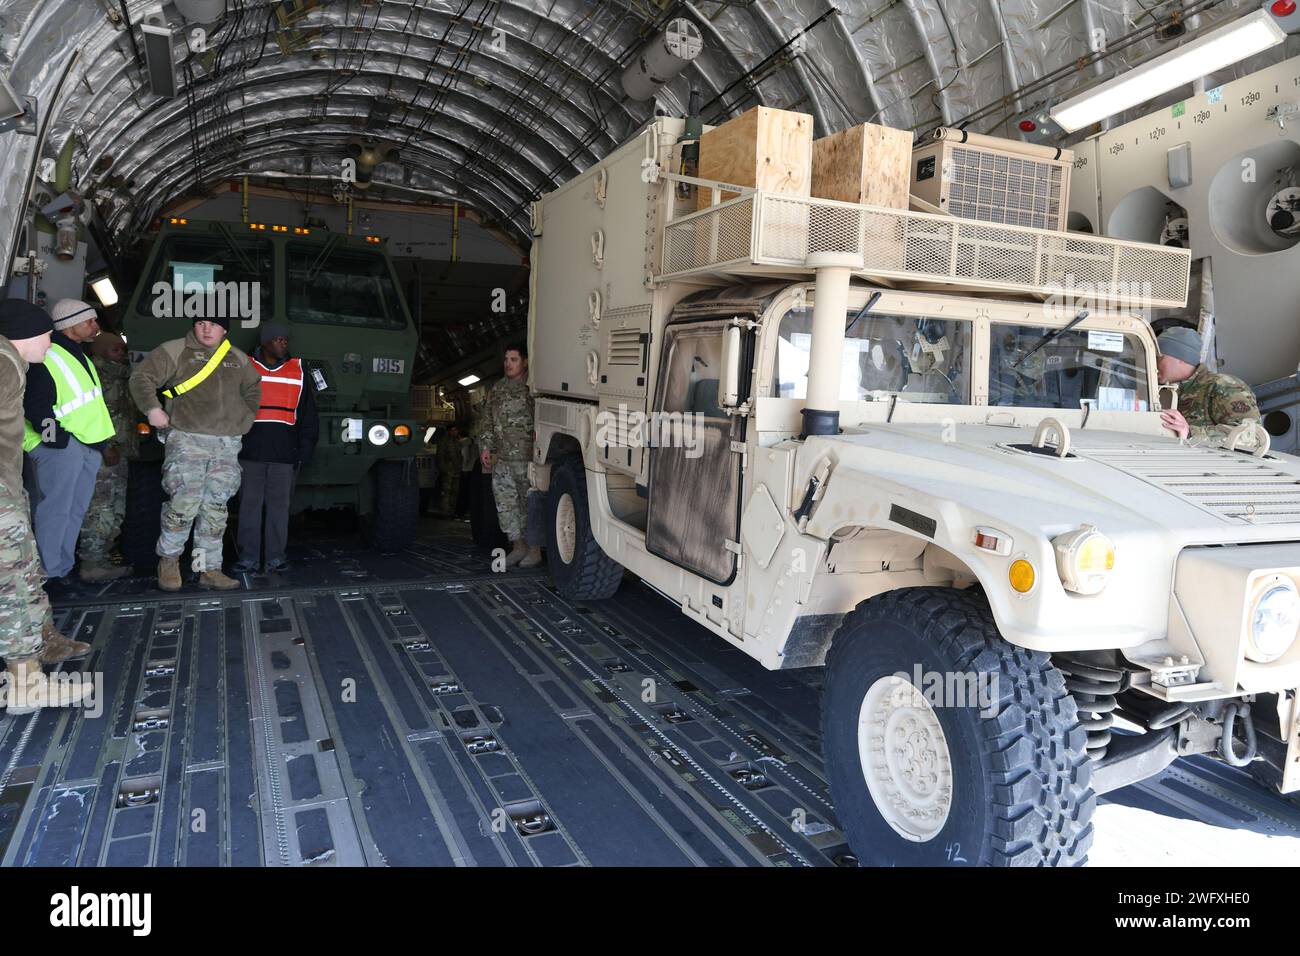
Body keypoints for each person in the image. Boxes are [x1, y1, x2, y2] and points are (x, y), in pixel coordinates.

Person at [0, 299, 93, 713]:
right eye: (45, 336)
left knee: (27, 572)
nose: (50, 344)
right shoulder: (4, 364)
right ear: (25, 334)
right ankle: (26, 685)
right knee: (14, 583)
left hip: (7, 488)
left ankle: (45, 642)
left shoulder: (12, 364)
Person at [129, 315, 261, 591]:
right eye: (201, 323)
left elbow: (253, 388)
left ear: (225, 329)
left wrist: (245, 419)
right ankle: (169, 561)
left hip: (226, 444)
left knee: (215, 507)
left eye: (214, 324)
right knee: (183, 502)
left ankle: (207, 568)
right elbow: (142, 377)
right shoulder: (175, 350)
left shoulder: (237, 358)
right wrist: (152, 409)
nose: (206, 329)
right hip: (188, 438)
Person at [22, 298, 116, 584]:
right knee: (56, 511)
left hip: (84, 445)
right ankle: (49, 574)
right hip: (63, 448)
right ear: (70, 324)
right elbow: (37, 407)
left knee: (73, 510)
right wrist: (56, 442)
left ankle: (61, 569)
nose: (95, 326)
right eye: (89, 320)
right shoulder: (47, 356)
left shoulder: (79, 355)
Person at [233, 323, 318, 574]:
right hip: (250, 453)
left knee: (279, 509)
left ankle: (275, 558)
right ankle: (248, 558)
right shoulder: (245, 367)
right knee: (249, 506)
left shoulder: (298, 371)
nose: (284, 344)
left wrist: (305, 449)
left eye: (285, 340)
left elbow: (308, 416)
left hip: (284, 455)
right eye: (278, 340)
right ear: (265, 342)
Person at [77, 331, 137, 582]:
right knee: (99, 509)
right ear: (100, 351)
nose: (121, 354)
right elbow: (87, 416)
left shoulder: (121, 376)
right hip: (103, 453)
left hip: (119, 452)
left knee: (115, 508)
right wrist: (104, 446)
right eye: (115, 350)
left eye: (123, 350)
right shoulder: (94, 376)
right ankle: (91, 563)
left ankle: (102, 559)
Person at [479, 343, 542, 568]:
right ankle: (518, 547)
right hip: (502, 460)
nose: (508, 364)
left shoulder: (532, 388)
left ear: (524, 362)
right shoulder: (497, 389)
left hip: (526, 459)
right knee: (507, 506)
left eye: (513, 359)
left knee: (529, 506)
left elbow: (542, 423)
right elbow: (486, 421)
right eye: (506, 359)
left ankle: (535, 550)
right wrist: (485, 447)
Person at [1156, 327, 1261, 443]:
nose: (1154, 363)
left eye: (1159, 357)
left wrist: (1191, 433)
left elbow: (1251, 435)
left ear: (1181, 358)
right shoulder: (1161, 389)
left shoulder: (1223, 386)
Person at [435, 423, 462, 515]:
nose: (455, 432)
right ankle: (445, 512)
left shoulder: (457, 441)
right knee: (446, 492)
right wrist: (443, 469)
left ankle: (451, 511)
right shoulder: (444, 441)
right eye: (453, 430)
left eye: (456, 430)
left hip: (456, 470)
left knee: (455, 492)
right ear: (449, 431)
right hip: (447, 470)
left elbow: (459, 456)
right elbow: (440, 456)